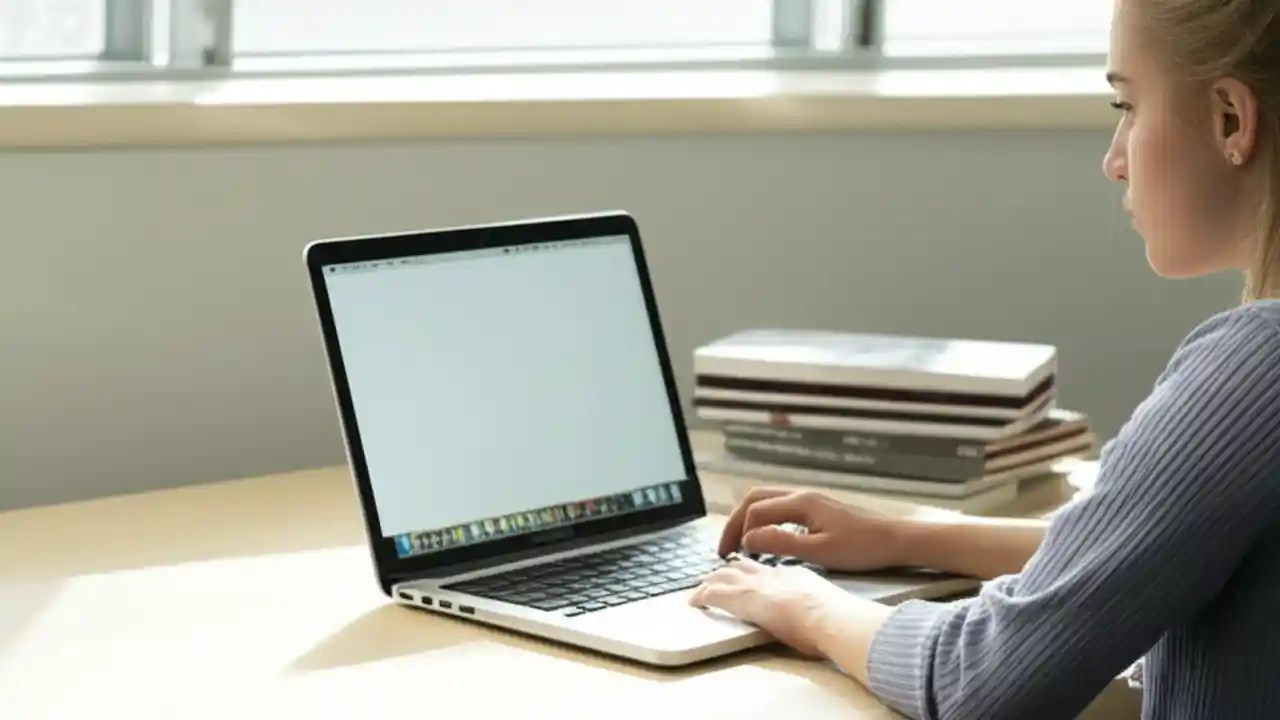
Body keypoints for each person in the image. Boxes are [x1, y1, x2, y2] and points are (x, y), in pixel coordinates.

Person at [689, 0, 1280, 718]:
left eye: (1128, 105)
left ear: (1230, 119)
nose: (1114, 159)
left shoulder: (1256, 367)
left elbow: (986, 679)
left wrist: (805, 605)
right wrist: (907, 535)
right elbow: (1134, 552)